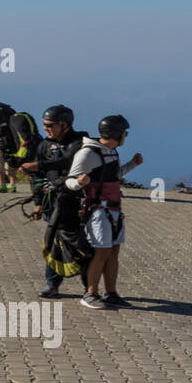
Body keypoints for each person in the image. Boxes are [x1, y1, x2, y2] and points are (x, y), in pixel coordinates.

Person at [67, 115, 142, 309]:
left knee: (113, 252)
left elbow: (112, 176)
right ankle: (90, 293)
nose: (126, 136)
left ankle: (111, 293)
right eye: (124, 133)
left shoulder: (111, 152)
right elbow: (70, 180)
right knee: (101, 252)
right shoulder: (87, 153)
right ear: (116, 134)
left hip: (115, 209)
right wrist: (78, 182)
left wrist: (133, 164)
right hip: (98, 211)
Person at [19, 105, 89, 298]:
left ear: (64, 125)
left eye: (50, 125)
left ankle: (89, 288)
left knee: (80, 244)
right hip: (52, 203)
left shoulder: (80, 143)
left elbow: (67, 161)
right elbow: (37, 176)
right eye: (44, 124)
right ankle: (52, 285)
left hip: (76, 202)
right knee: (54, 243)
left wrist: (37, 165)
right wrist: (38, 203)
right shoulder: (44, 145)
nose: (45, 129)